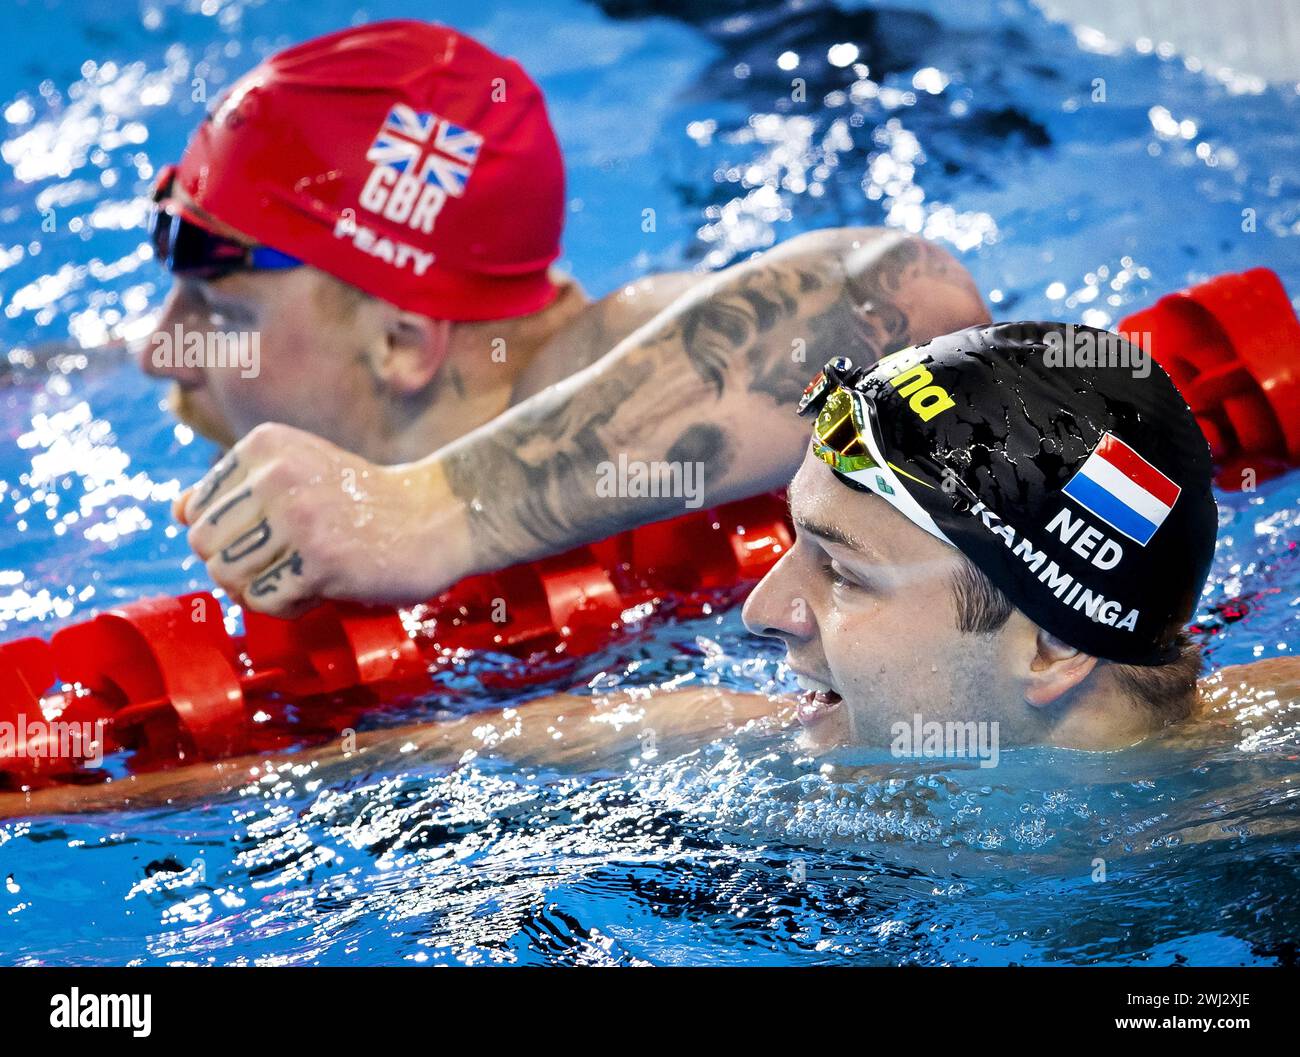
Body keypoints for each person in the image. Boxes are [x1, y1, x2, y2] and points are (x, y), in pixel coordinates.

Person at [6, 322, 1296, 819]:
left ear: (1052, 647)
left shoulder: (1257, 804)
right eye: (791, 540)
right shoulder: (783, 749)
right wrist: (75, 800)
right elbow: (437, 755)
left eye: (840, 572)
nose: (760, 609)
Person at [142, 19, 987, 614]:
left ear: (401, 343)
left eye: (217, 310)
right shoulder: (287, 370)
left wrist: (431, 508)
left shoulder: (619, 355)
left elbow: (917, 296)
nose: (156, 351)